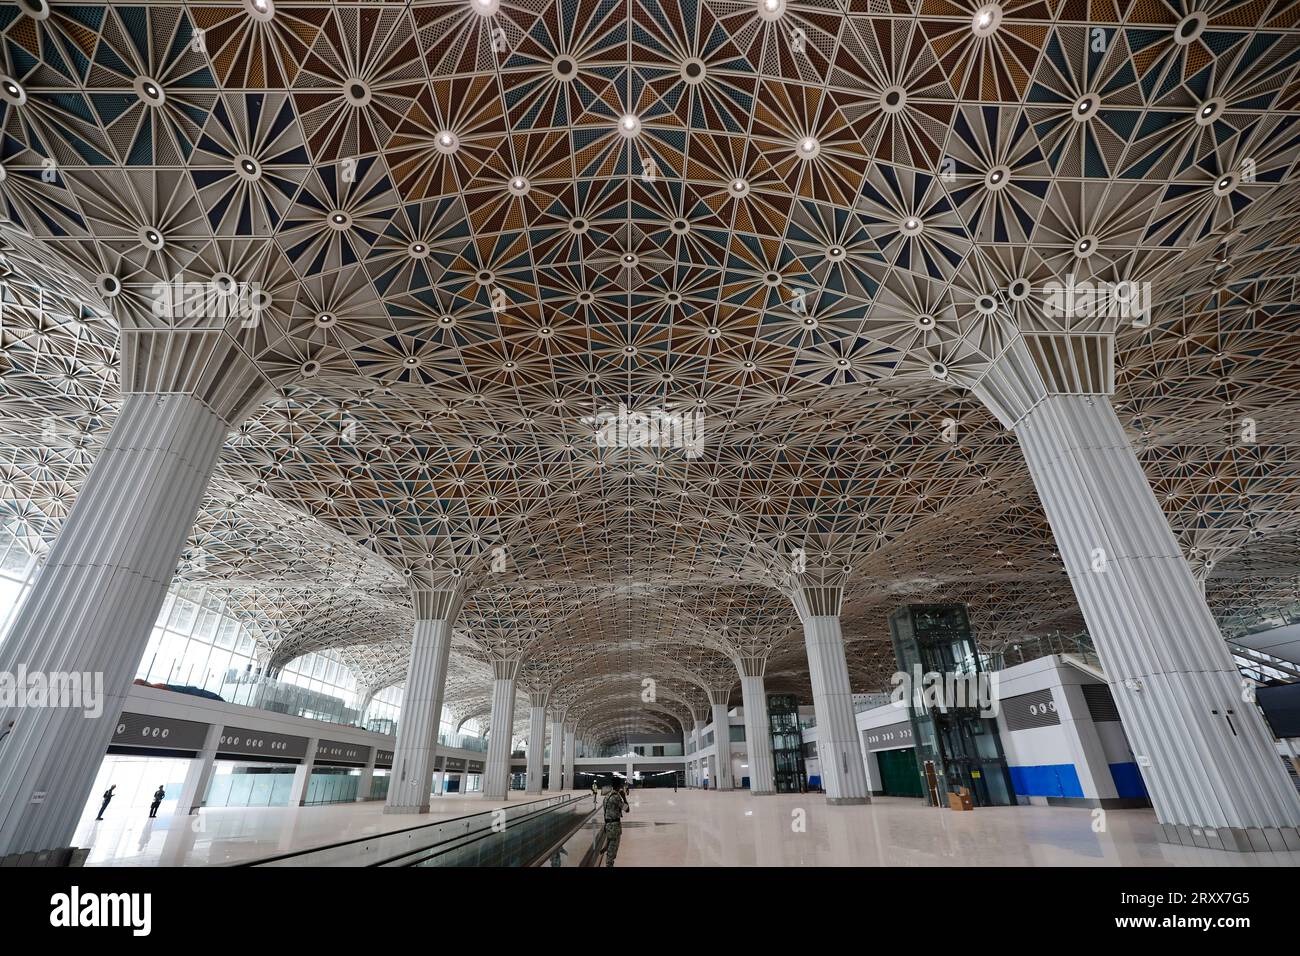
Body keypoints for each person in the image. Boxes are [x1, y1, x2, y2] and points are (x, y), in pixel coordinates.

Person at [601, 780, 630, 867]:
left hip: (608, 826)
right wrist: (624, 797)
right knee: (612, 853)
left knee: (610, 849)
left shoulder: (606, 797)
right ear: (619, 786)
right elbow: (627, 809)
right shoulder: (616, 797)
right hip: (614, 828)